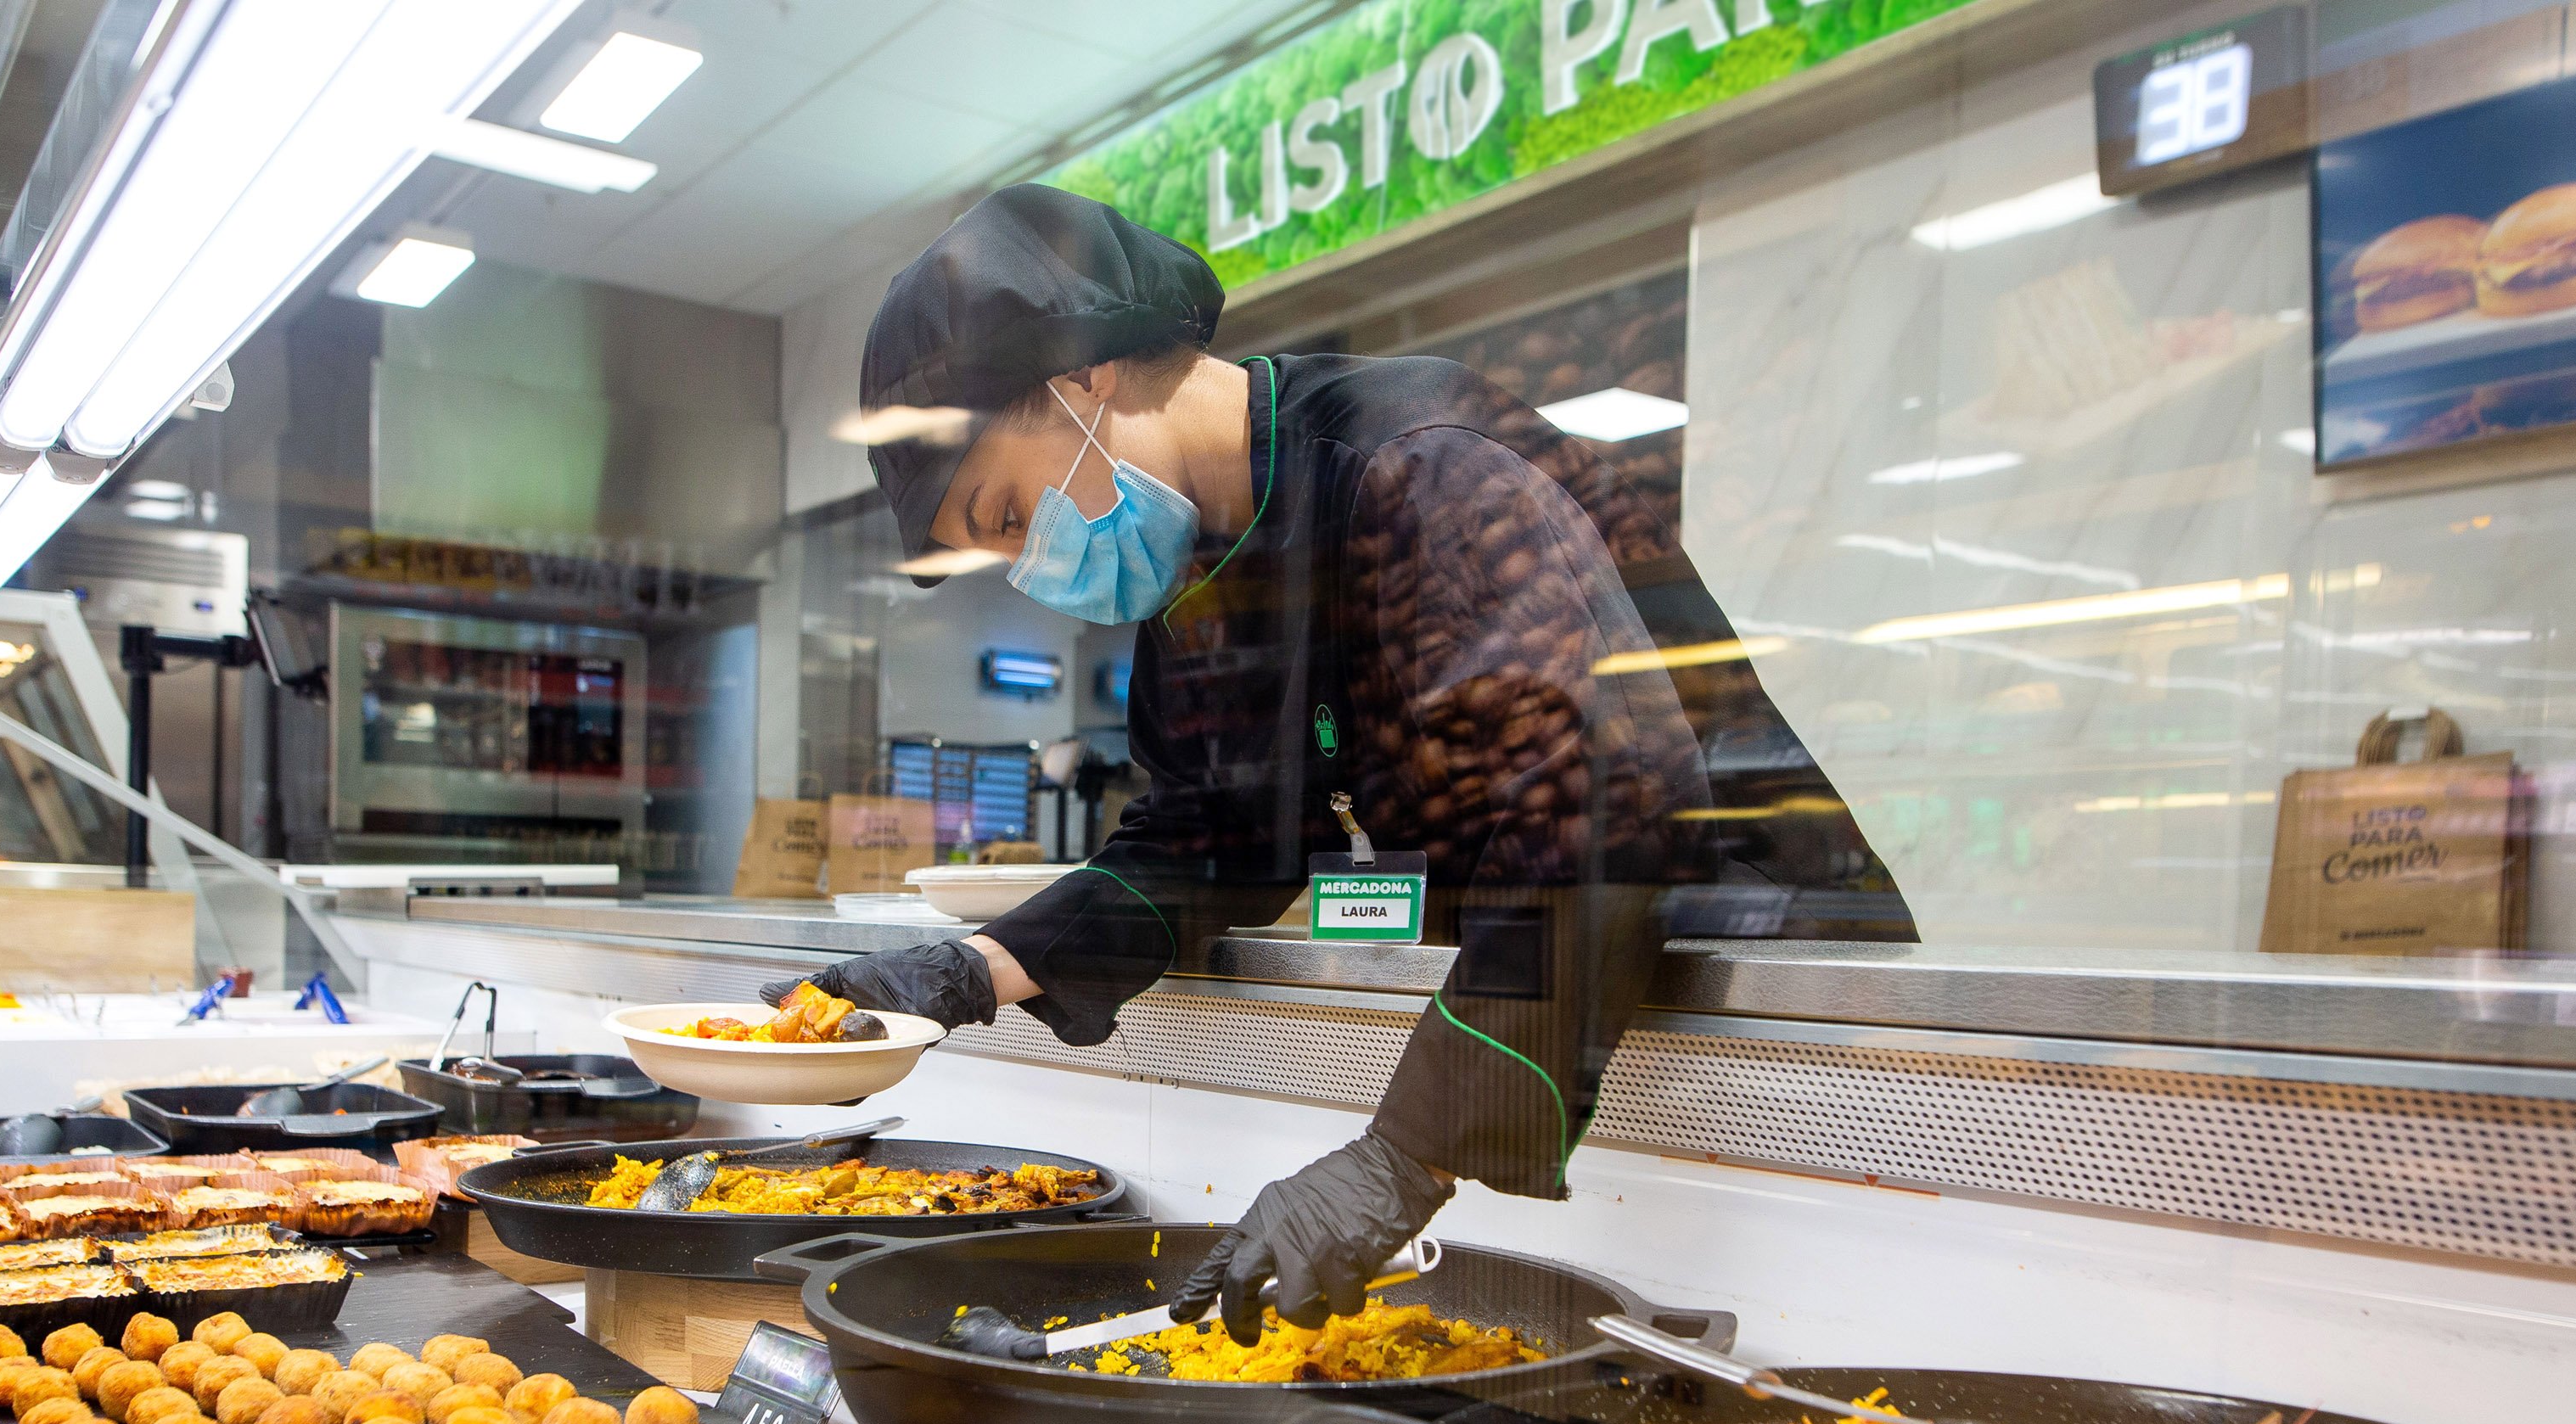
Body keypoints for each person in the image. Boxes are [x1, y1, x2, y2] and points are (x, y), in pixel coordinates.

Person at [776, 186, 1908, 1337]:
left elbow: (1584, 823)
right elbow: (1208, 836)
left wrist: (1398, 1161)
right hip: (1567, 1013)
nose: (1036, 566)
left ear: (1087, 379)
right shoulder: (1198, 577)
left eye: (1011, 511)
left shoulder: (1417, 467)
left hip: (1768, 1000)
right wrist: (972, 970)